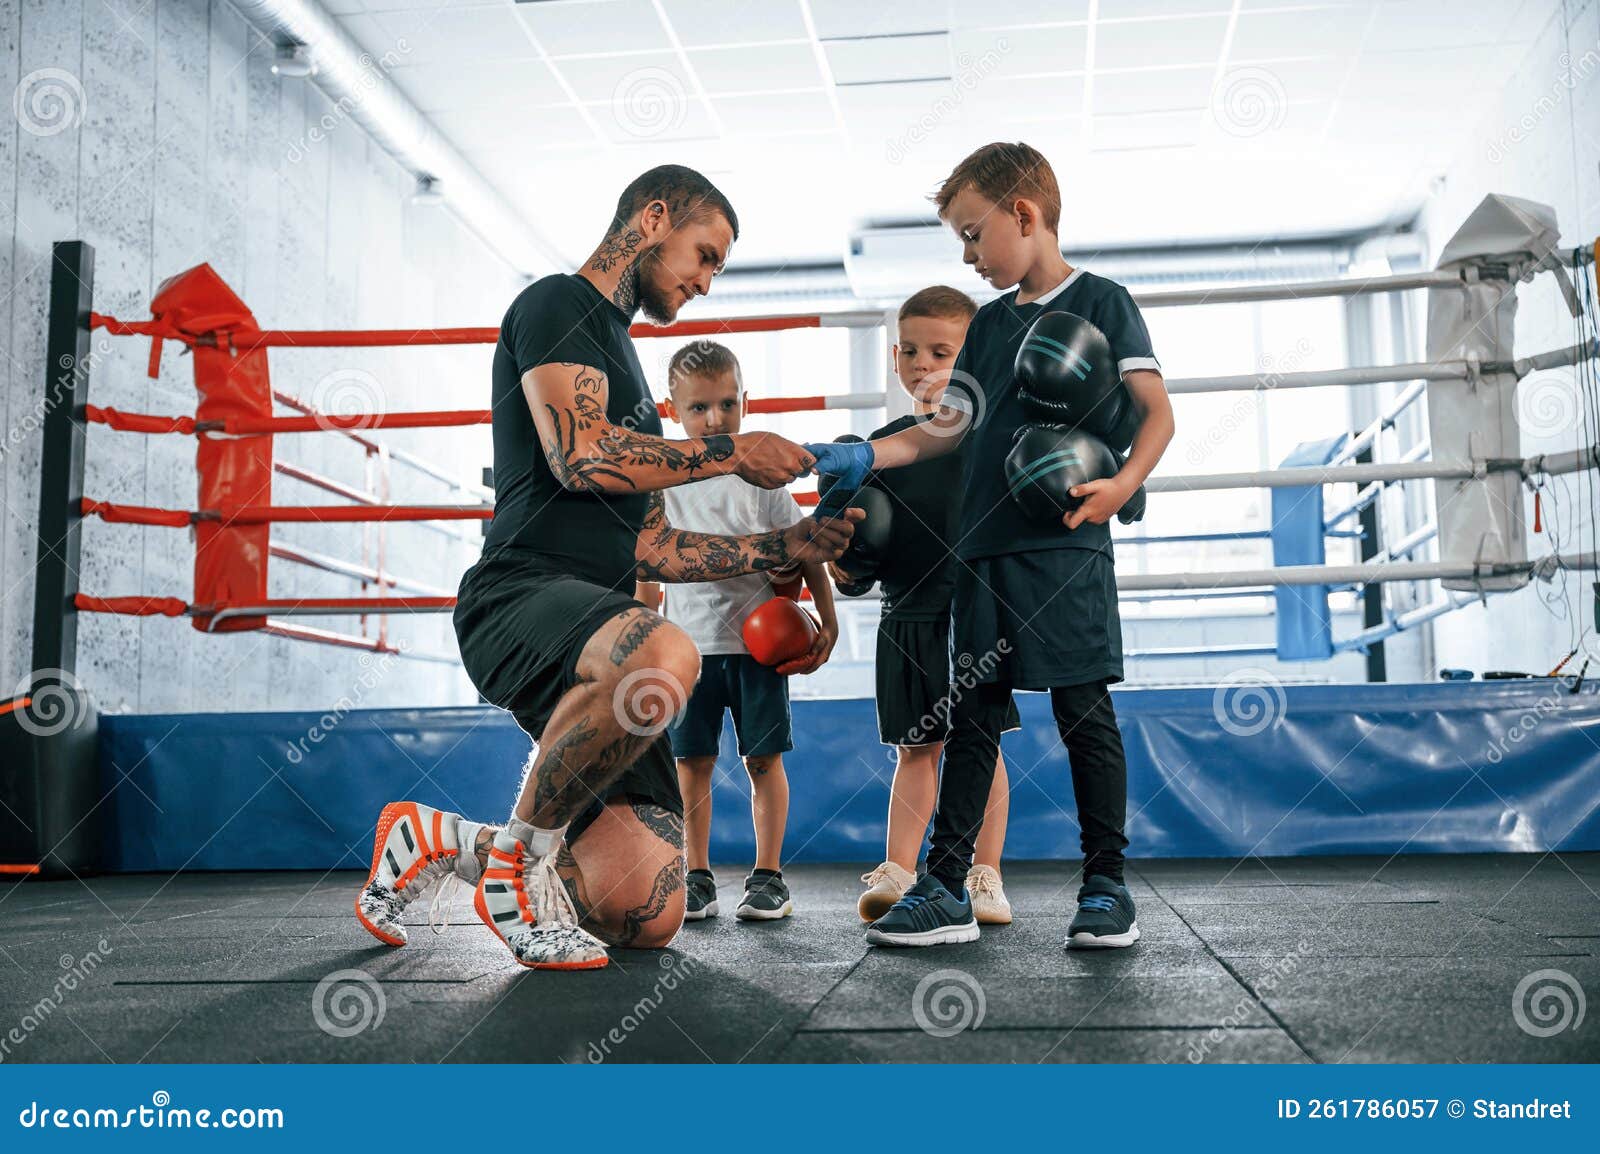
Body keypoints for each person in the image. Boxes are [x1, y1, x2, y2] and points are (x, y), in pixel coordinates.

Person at [353, 165, 858, 970]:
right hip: (520, 596)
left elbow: (653, 547)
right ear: (653, 218)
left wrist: (780, 550)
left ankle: (445, 842)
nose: (706, 278)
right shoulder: (557, 305)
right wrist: (729, 452)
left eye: (718, 265)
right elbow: (580, 456)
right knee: (667, 650)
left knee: (643, 908)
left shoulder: (627, 365)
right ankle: (517, 874)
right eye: (705, 253)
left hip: (599, 626)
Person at [808, 142, 1175, 950]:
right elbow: (947, 430)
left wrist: (1122, 483)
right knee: (969, 717)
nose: (968, 255)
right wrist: (869, 453)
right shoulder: (991, 329)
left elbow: (1157, 412)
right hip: (982, 550)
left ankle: (1107, 886)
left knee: (1083, 712)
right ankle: (945, 888)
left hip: (1065, 547)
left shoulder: (1104, 302)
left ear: (1025, 215)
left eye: (974, 235)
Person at [636, 341, 838, 923]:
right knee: (691, 765)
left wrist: (827, 618)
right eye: (699, 408)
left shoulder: (764, 480)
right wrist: (638, 641)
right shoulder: (664, 482)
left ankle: (769, 877)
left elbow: (805, 551)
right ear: (673, 412)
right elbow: (650, 575)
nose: (716, 419)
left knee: (763, 763)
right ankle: (694, 875)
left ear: (745, 402)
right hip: (687, 651)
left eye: (727, 404)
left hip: (760, 650)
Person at [843, 286, 1016, 926]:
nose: (923, 364)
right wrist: (840, 548)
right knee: (916, 750)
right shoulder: (881, 448)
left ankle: (984, 873)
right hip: (905, 614)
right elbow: (857, 565)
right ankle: (899, 869)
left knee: (983, 747)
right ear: (894, 358)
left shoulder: (990, 442)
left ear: (971, 358)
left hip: (974, 612)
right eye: (910, 351)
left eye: (941, 352)